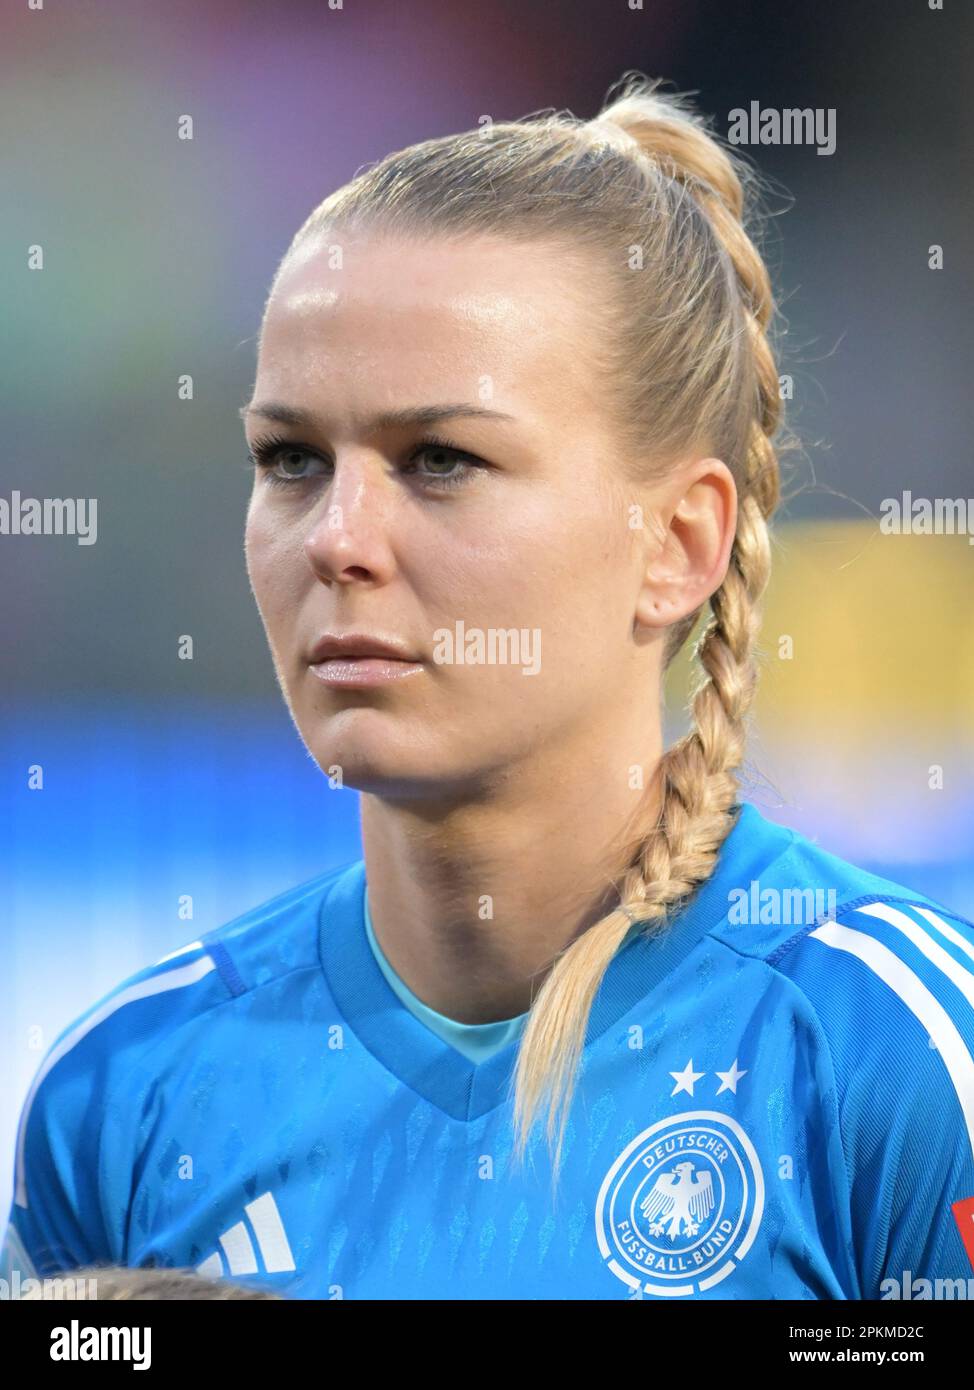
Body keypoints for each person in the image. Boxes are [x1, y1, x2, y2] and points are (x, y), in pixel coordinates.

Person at [4, 73, 974, 1301]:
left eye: (442, 460)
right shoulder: (119, 1092)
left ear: (676, 542)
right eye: (290, 460)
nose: (337, 538)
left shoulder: (896, 1060)